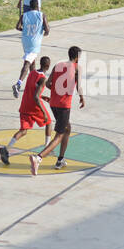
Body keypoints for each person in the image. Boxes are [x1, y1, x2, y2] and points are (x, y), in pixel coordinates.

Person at [30, 46, 84, 175]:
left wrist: (56, 92)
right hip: (64, 105)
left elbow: (48, 84)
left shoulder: (58, 65)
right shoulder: (77, 68)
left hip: (53, 103)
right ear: (77, 57)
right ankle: (38, 158)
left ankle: (60, 159)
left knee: (67, 128)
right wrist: (82, 97)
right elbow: (79, 86)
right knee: (59, 135)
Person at [0, 56, 53, 166]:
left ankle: (7, 149)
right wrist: (43, 112)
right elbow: (36, 97)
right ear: (48, 66)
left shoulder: (32, 73)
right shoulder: (43, 79)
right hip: (34, 107)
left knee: (23, 131)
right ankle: (47, 148)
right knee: (48, 123)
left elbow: (33, 91)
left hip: (25, 105)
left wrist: (43, 97)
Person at [13, 0, 50, 98]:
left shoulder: (24, 15)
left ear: (30, 6)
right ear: (38, 6)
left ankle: (33, 83)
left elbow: (17, 27)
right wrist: (44, 33)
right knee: (27, 63)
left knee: (32, 64)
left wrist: (24, 30)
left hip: (25, 41)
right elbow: (47, 30)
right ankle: (18, 84)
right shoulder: (41, 15)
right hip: (34, 43)